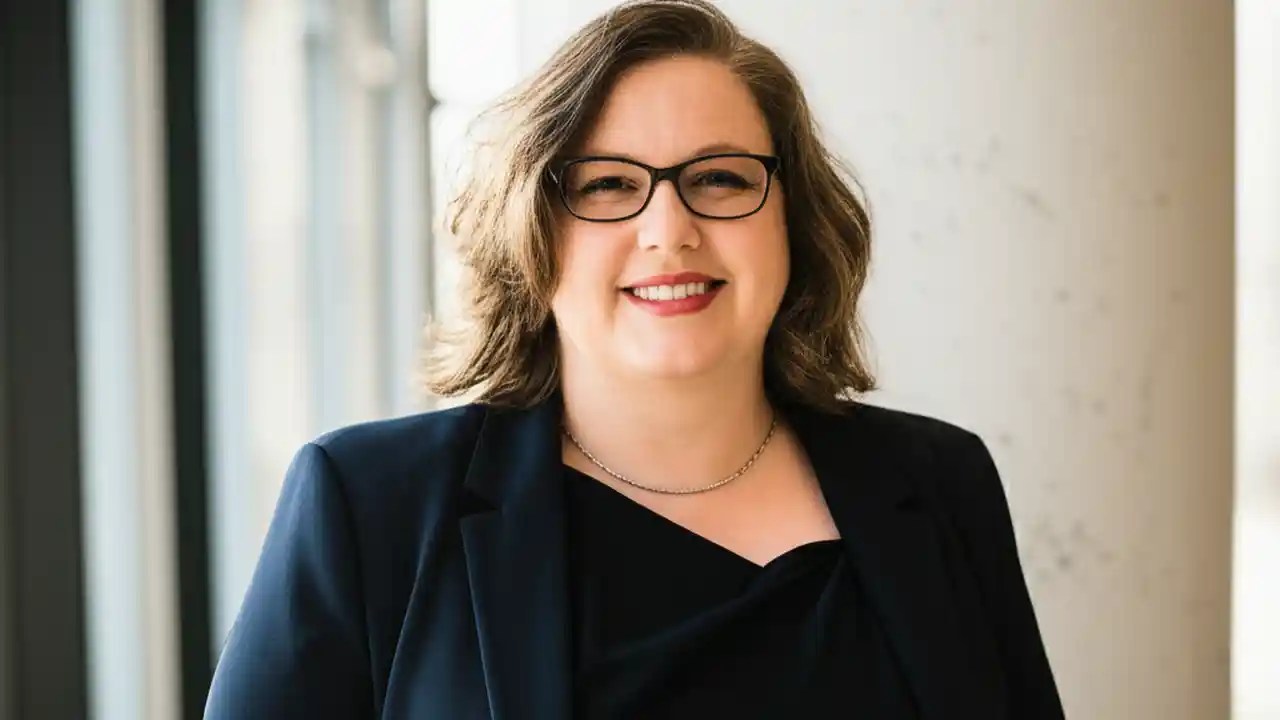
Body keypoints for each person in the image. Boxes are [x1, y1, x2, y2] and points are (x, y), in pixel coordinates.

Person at [204, 1, 1065, 717]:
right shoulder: (371, 503)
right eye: (608, 185)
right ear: (531, 233)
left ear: (792, 220)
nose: (670, 230)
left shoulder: (940, 480)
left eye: (721, 178)